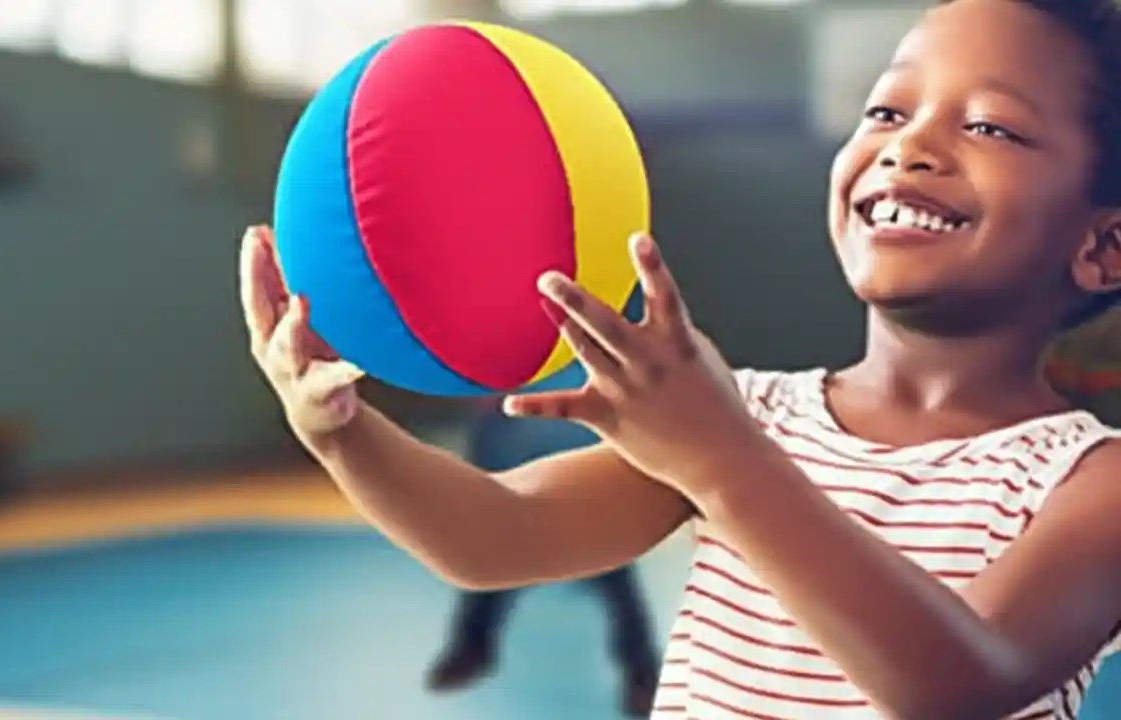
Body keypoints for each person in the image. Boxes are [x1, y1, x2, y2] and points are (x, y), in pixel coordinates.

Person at [239, 0, 1121, 716]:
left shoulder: (1091, 484)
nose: (910, 144)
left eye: (991, 127)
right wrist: (340, 431)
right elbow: (496, 535)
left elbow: (965, 679)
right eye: (887, 109)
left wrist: (723, 463)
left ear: (1104, 247)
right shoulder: (751, 415)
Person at [425, 397, 660, 717]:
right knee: (494, 558)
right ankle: (472, 646)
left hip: (580, 454)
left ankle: (643, 672)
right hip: (517, 449)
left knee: (613, 571)